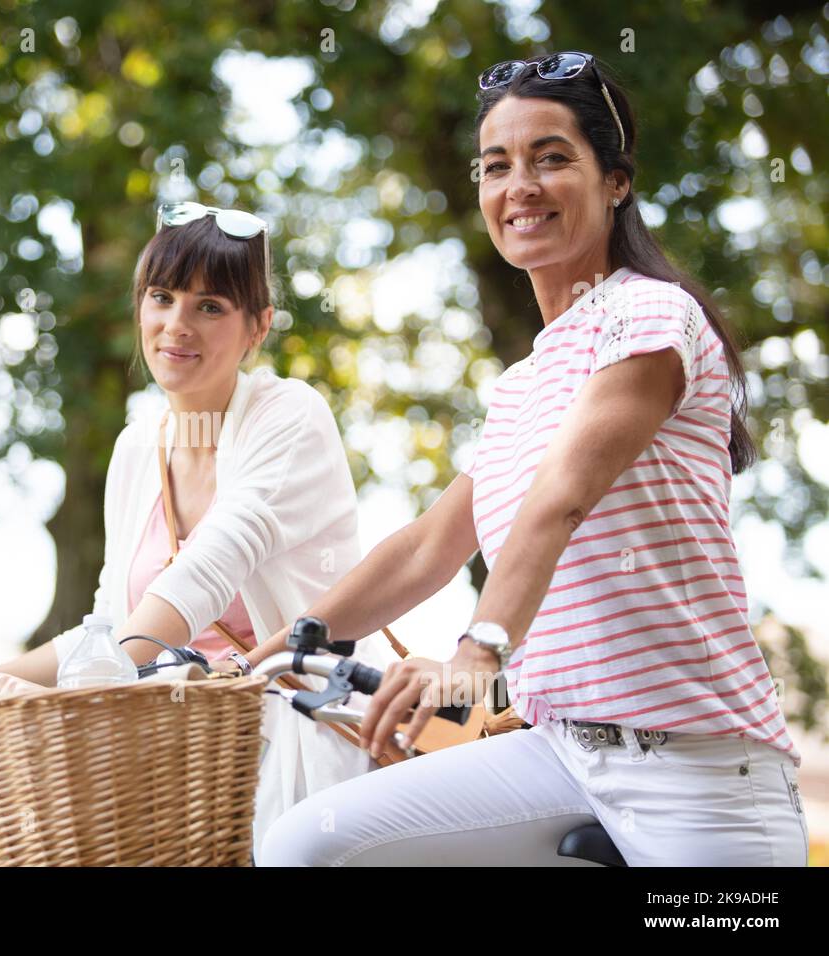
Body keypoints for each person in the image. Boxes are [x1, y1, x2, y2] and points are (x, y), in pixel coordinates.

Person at [259, 52, 807, 866]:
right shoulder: (522, 384)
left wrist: (477, 654)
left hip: (700, 769)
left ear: (615, 181)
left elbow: (564, 497)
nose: (520, 185)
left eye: (552, 158)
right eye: (497, 166)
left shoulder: (650, 316)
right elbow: (428, 547)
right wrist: (271, 651)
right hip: (561, 754)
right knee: (310, 845)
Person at [0, 203, 395, 853]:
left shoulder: (288, 415)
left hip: (288, 747)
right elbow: (107, 625)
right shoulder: (135, 447)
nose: (177, 325)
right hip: (172, 762)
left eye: (211, 306)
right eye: (161, 297)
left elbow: (212, 565)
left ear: (257, 327)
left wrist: (78, 684)